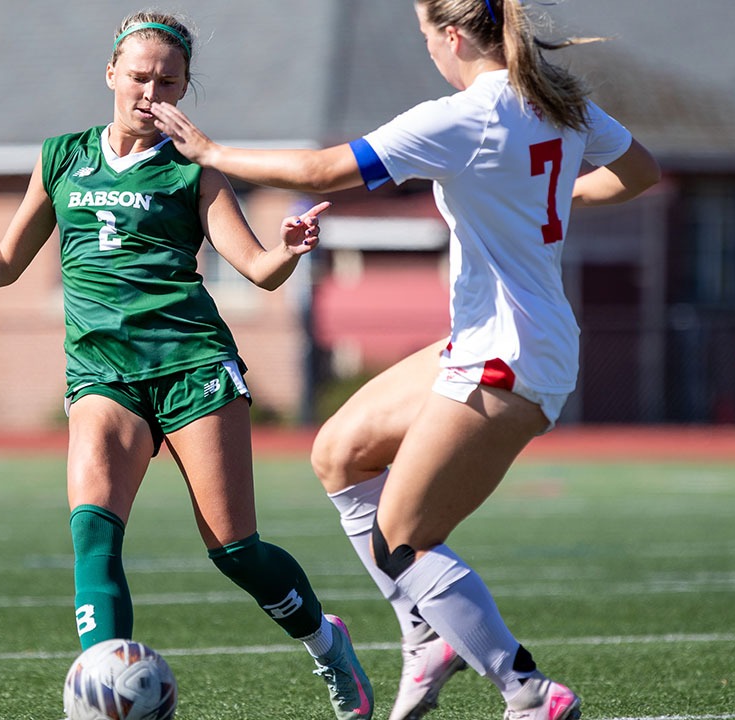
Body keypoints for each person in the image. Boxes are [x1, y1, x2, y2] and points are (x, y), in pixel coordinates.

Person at [151, 2, 661, 720]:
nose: (427, 50)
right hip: (504, 339)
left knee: (402, 539)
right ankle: (428, 636)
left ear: (452, 36)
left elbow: (323, 169)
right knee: (339, 452)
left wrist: (211, 152)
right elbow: (639, 173)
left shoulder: (464, 116)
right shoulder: (556, 98)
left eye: (426, 37)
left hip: (506, 355)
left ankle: (529, 692)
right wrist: (554, 198)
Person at [0, 11, 373, 720]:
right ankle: (106, 702)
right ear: (110, 74)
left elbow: (258, 270)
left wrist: (291, 245)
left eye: (168, 80)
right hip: (101, 373)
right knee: (94, 532)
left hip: (193, 367)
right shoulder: (62, 157)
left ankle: (326, 642)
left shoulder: (195, 169)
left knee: (234, 550)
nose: (150, 89)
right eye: (138, 75)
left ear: (185, 87)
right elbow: (7, 262)